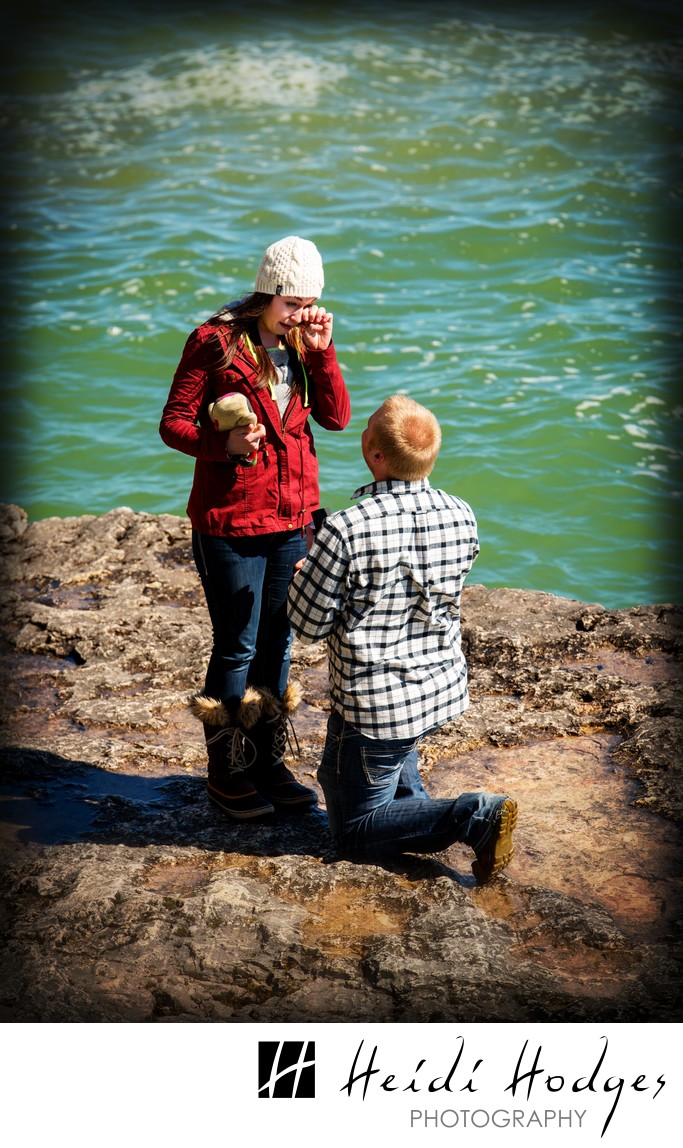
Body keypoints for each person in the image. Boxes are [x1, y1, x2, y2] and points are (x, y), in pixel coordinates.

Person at [287, 394, 517, 882]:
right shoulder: (462, 513)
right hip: (436, 686)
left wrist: (307, 574)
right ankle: (416, 810)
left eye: (366, 427)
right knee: (363, 775)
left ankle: (474, 815)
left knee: (353, 829)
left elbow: (309, 625)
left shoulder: (348, 527)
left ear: (374, 454)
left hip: (375, 702)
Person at [160, 235, 351, 821]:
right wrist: (224, 444)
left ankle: (266, 762)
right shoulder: (213, 342)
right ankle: (225, 773)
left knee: (280, 642)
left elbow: (337, 418)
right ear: (267, 292)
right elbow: (172, 425)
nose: (301, 314)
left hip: (295, 518)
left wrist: (320, 350)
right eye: (292, 304)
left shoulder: (304, 340)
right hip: (232, 521)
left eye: (310, 303)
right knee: (238, 644)